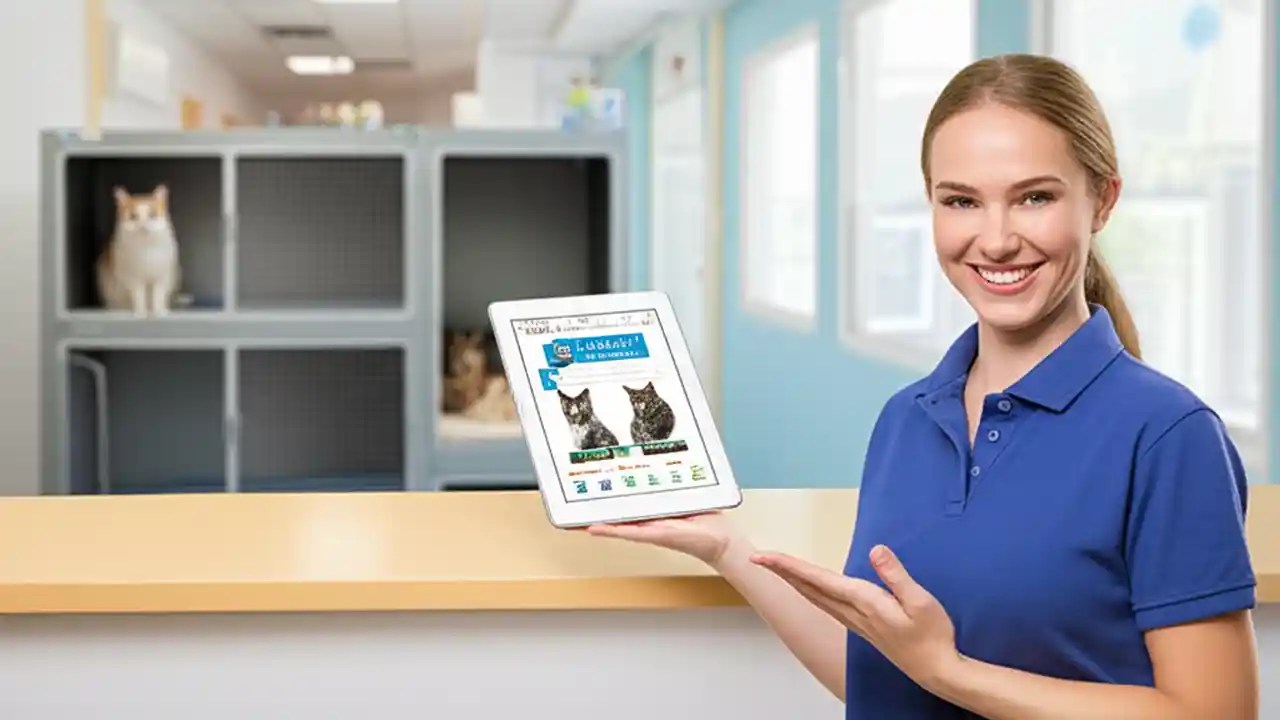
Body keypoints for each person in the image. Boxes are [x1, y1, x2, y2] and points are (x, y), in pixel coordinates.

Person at [587, 53, 1260, 719]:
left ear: (1102, 201)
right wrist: (727, 547)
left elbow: (1214, 713)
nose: (995, 240)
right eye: (961, 201)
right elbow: (883, 676)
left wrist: (951, 671)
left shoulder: (1169, 436)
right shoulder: (907, 420)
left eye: (1034, 197)